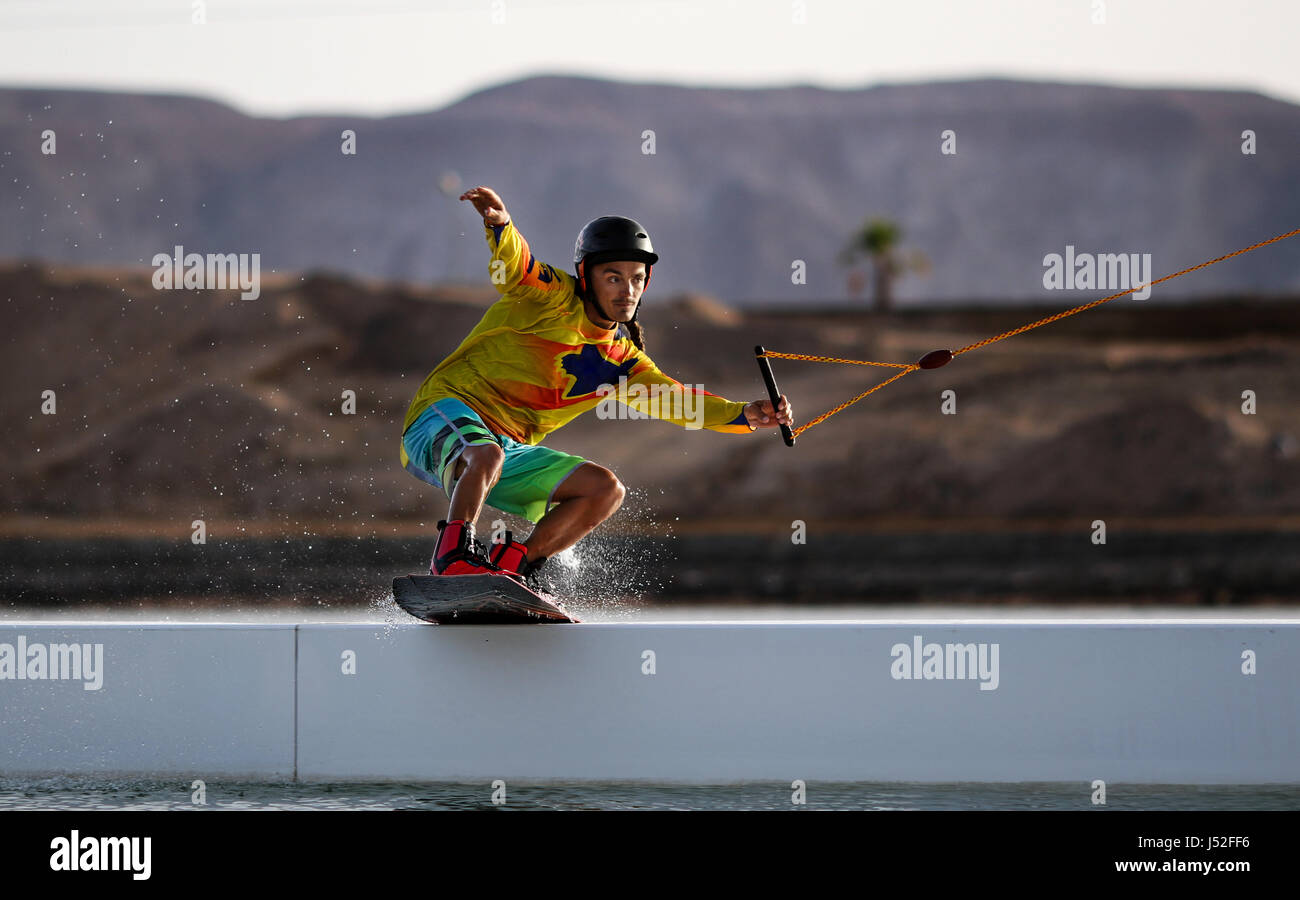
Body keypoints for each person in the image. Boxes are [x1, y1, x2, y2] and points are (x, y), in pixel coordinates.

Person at [399, 185, 794, 588]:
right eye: (614, 278)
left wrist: (745, 414)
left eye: (637, 280)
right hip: (441, 417)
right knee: (484, 453)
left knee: (605, 490)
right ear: (587, 276)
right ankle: (450, 558)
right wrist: (499, 225)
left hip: (506, 450)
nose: (627, 291)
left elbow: (677, 402)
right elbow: (517, 268)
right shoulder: (551, 297)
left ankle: (514, 570)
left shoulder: (622, 361)